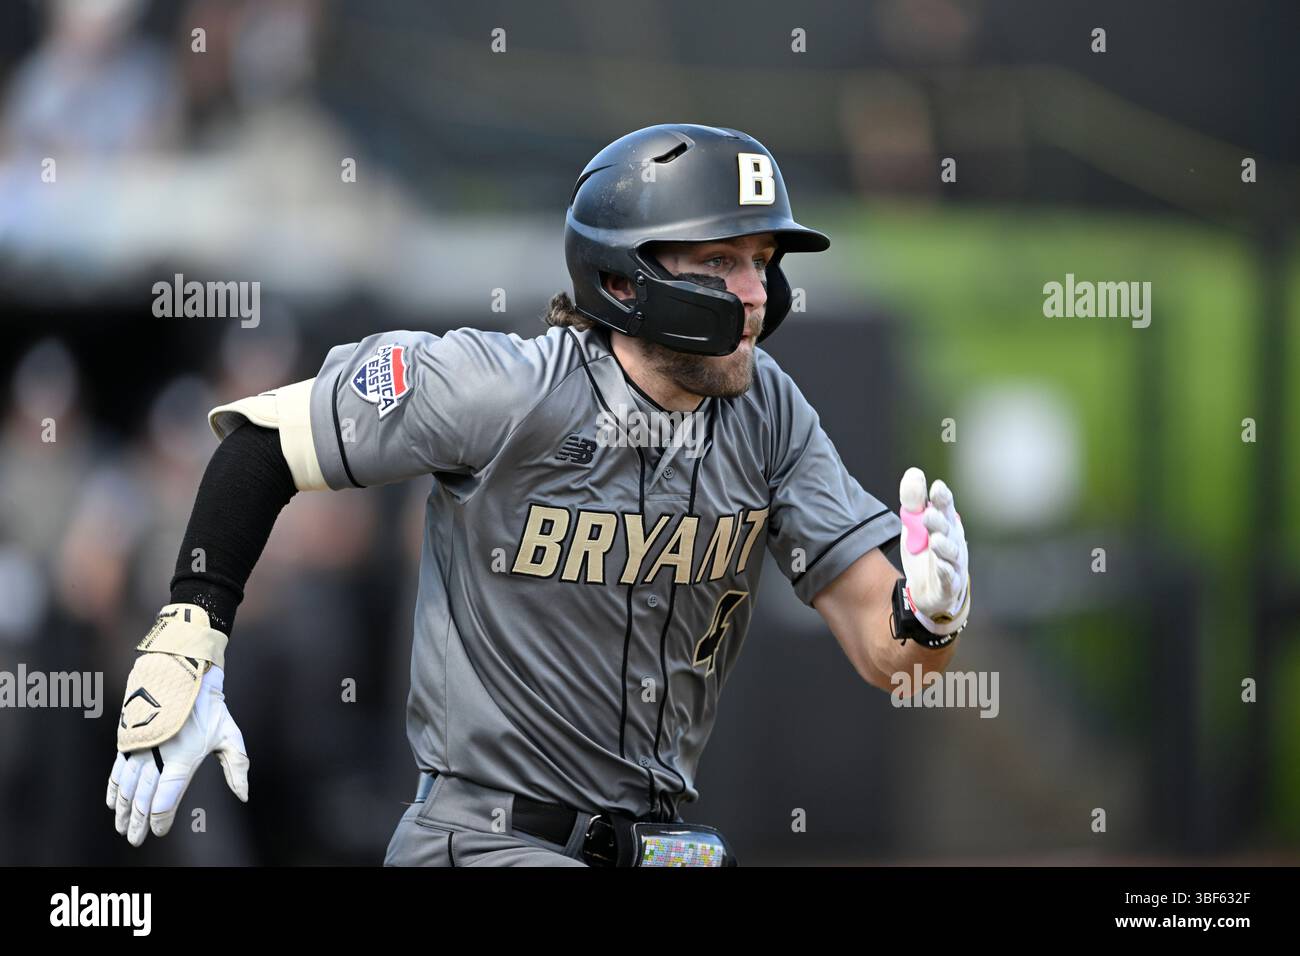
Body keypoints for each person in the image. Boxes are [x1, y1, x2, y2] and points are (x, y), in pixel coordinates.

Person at [105, 124, 971, 867]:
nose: (754, 293)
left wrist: (927, 617)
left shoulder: (767, 409)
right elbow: (263, 442)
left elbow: (890, 659)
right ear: (626, 280)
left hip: (650, 844)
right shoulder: (501, 389)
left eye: (761, 263)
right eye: (721, 262)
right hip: (483, 842)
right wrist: (189, 635)